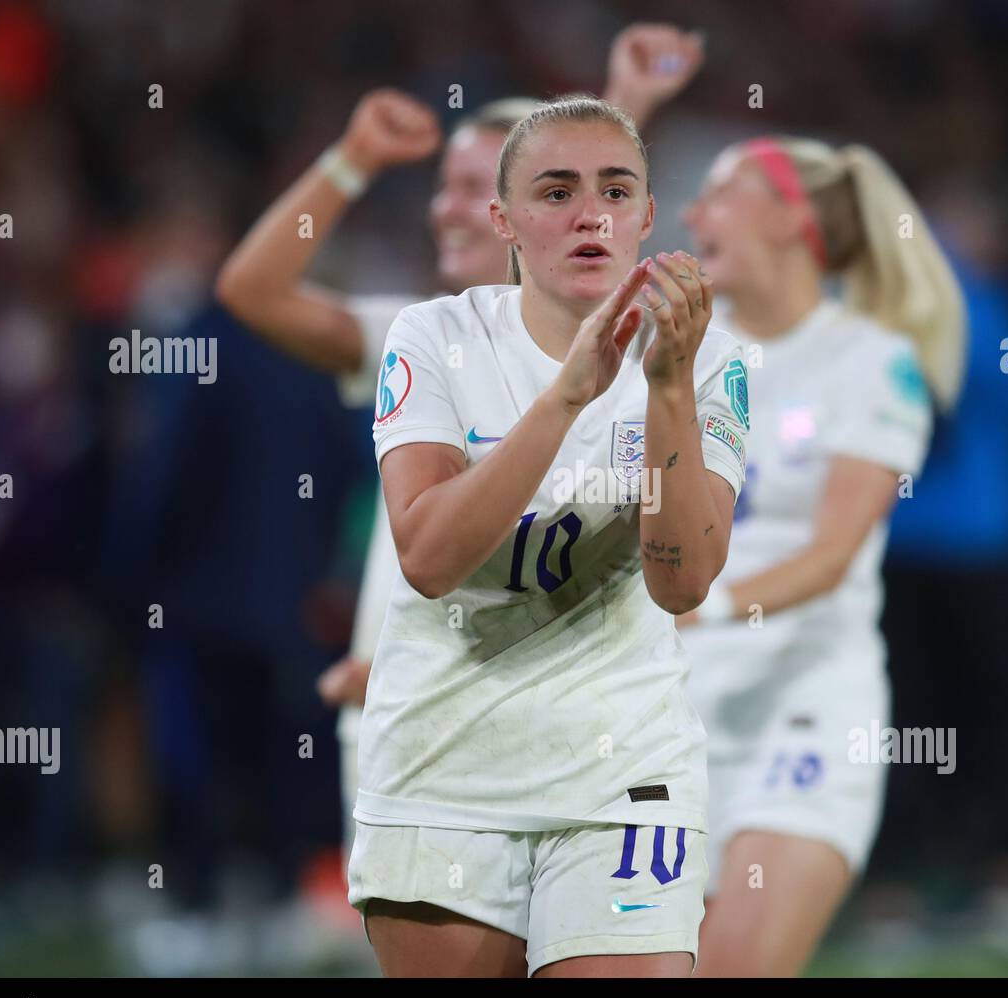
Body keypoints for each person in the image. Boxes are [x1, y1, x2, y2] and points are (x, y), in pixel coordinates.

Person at [214, 24, 706, 857]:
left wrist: (630, 102)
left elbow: (576, 195)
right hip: (411, 715)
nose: (445, 206)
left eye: (468, 184)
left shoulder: (634, 355)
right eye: (445, 186)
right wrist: (353, 161)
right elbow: (251, 288)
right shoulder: (416, 339)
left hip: (558, 716)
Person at [347, 94, 750, 978]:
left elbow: (681, 581)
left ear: (646, 215)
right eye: (556, 191)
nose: (590, 214)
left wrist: (670, 390)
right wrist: (567, 394)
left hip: (626, 772)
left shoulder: (714, 358)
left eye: (615, 190)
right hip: (444, 766)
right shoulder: (435, 337)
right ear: (504, 221)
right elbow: (427, 557)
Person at [677, 136, 966, 976]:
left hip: (801, 709)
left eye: (720, 194)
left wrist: (708, 604)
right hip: (668, 715)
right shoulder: (671, 349)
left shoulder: (872, 364)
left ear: (792, 218)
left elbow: (833, 553)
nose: (694, 214)